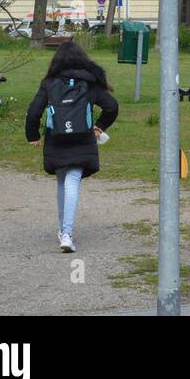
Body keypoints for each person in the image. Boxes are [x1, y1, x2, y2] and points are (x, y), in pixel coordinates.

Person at [24, 41, 118, 253]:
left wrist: (33, 135)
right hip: (82, 139)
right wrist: (99, 127)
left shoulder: (49, 83)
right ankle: (67, 234)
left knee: (62, 179)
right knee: (73, 180)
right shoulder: (90, 83)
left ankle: (63, 230)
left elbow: (33, 111)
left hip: (56, 138)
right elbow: (112, 106)